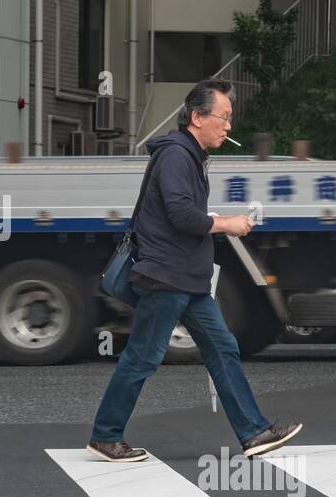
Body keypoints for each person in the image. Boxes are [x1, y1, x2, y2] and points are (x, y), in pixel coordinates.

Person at [87, 79, 302, 462]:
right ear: (197, 117)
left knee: (222, 347)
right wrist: (227, 224)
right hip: (166, 276)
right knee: (143, 356)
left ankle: (254, 433)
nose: (228, 126)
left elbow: (181, 213)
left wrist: (212, 219)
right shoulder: (175, 156)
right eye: (223, 117)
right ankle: (105, 436)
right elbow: (181, 214)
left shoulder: (189, 155)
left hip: (186, 277)